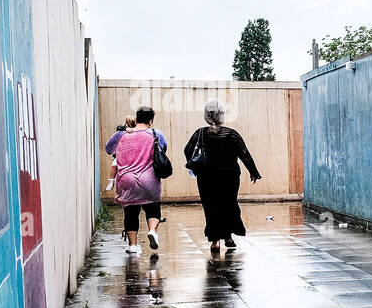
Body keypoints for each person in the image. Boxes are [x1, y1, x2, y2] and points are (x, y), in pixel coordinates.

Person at [185, 99, 261, 253]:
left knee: (211, 207)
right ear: (222, 115)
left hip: (206, 177)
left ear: (206, 116)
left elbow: (188, 150)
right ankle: (228, 237)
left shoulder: (200, 133)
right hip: (229, 176)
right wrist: (253, 172)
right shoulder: (231, 134)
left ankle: (215, 241)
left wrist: (196, 166)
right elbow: (244, 154)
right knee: (229, 204)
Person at [105, 106, 167, 254]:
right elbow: (162, 150)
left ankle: (133, 245)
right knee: (153, 207)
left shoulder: (120, 135)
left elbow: (109, 149)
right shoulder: (156, 133)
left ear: (136, 118)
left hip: (126, 179)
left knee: (130, 212)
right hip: (149, 179)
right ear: (150, 120)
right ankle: (152, 230)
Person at [104, 115, 137, 192]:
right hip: (122, 154)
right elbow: (119, 128)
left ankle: (111, 180)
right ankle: (111, 180)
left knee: (114, 165)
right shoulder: (123, 131)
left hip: (132, 155)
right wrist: (126, 129)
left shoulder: (136, 131)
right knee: (114, 164)